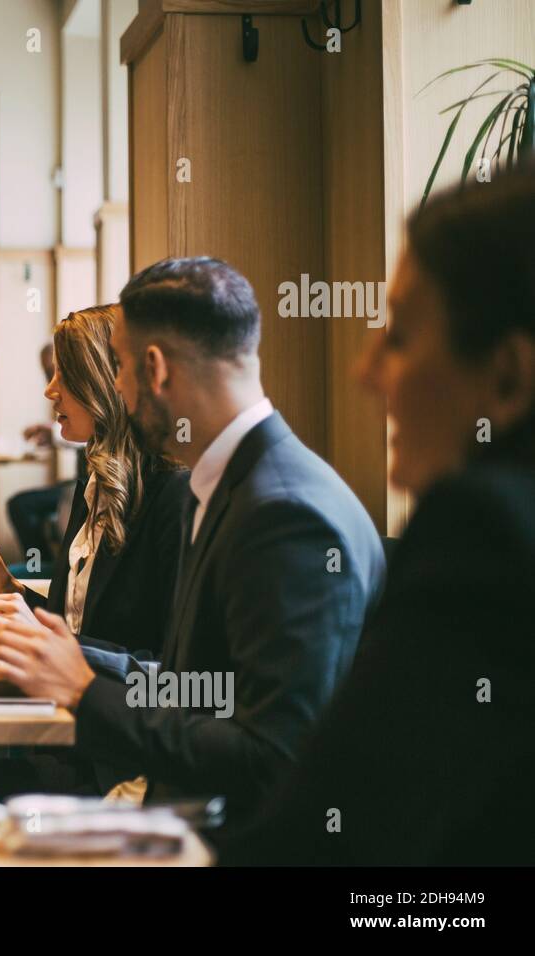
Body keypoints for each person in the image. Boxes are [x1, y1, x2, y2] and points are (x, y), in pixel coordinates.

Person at [0, 258, 386, 826]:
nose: (114, 385)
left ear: (155, 368)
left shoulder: (284, 514)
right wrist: (65, 658)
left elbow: (275, 760)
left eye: (120, 368)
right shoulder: (231, 485)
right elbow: (203, 688)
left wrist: (86, 690)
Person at [219, 169, 535, 865]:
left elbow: (320, 843)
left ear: (508, 378)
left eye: (397, 336)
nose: (365, 370)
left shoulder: (486, 539)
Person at [0, 305, 190, 799]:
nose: (50, 389)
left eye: (64, 374)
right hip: (72, 740)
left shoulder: (173, 496)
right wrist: (9, 589)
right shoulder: (96, 482)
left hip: (123, 761)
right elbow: (79, 629)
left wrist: (35, 638)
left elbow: (172, 673)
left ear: (105, 382)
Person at [6, 342, 82, 567]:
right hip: (78, 482)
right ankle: (42, 566)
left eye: (58, 373)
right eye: (48, 374)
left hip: (81, 482)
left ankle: (41, 567)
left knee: (22, 505)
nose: (49, 389)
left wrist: (53, 433)